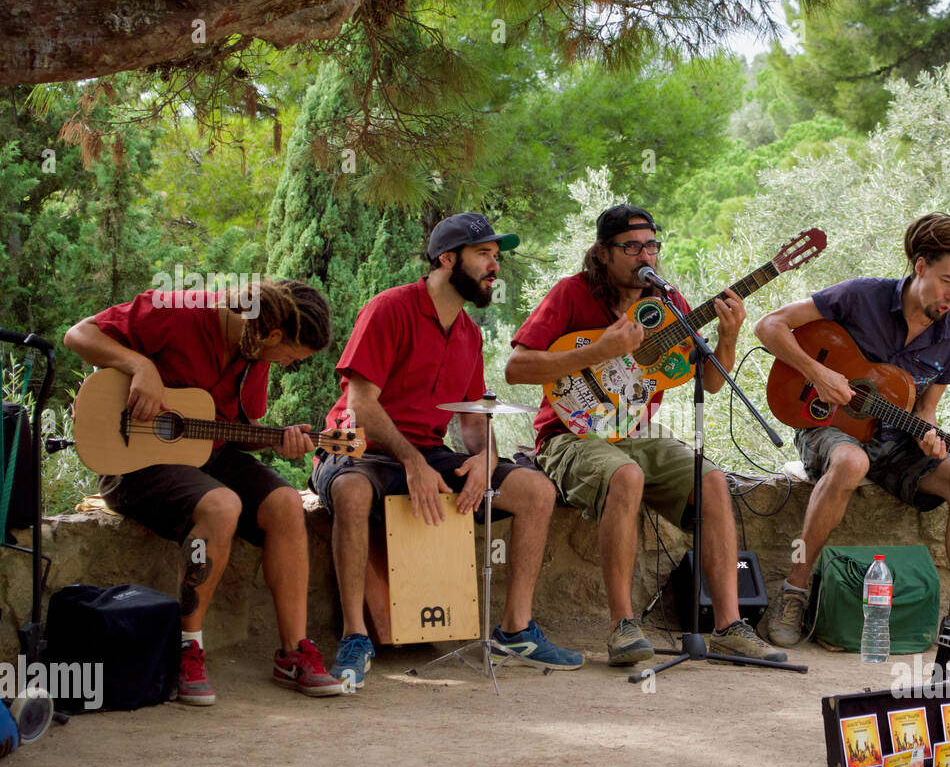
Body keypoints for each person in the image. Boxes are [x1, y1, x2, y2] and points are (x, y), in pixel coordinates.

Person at [505, 204, 786, 666]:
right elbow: (517, 368)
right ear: (603, 253)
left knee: (712, 480)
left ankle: (729, 626)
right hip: (568, 435)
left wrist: (729, 336)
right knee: (628, 475)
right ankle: (622, 627)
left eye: (651, 246)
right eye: (631, 247)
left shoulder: (667, 302)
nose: (644, 255)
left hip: (632, 431)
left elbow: (711, 383)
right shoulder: (570, 294)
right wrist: (600, 349)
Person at [312, 212, 583, 683]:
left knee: (536, 492)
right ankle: (355, 637)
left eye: (497, 257)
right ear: (447, 258)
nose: (494, 266)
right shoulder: (389, 308)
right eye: (484, 255)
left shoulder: (469, 333)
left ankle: (514, 630)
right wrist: (412, 461)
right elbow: (361, 403)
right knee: (352, 493)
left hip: (427, 452)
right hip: (357, 446)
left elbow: (473, 421)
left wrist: (486, 458)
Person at [63, 278, 343, 703]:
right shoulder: (179, 309)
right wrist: (142, 366)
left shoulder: (255, 352)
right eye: (288, 355)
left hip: (206, 455)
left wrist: (276, 439)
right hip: (134, 462)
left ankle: (293, 653)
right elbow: (78, 335)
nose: (287, 364)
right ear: (271, 333)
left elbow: (234, 429)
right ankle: (187, 648)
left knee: (286, 502)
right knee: (222, 505)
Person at [754, 213, 950, 647]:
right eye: (946, 281)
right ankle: (794, 591)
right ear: (919, 267)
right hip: (826, 424)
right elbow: (769, 325)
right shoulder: (861, 296)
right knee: (850, 460)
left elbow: (927, 409)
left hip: (896, 443)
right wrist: (818, 372)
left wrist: (928, 434)